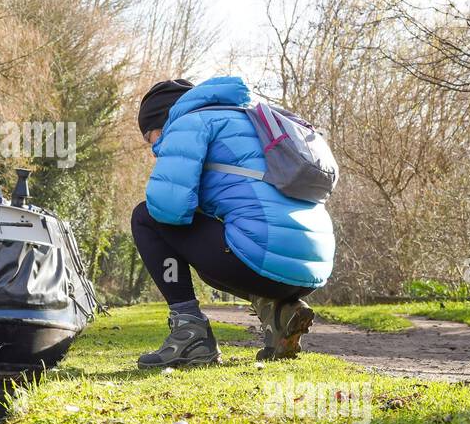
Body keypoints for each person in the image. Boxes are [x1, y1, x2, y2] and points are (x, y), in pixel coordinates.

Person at [132, 76, 335, 368]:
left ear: (160, 123)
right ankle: (278, 311)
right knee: (218, 253)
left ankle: (190, 334)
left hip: (260, 259)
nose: (151, 147)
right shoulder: (253, 118)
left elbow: (168, 208)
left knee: (145, 217)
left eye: (148, 137)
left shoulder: (188, 123)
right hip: (312, 268)